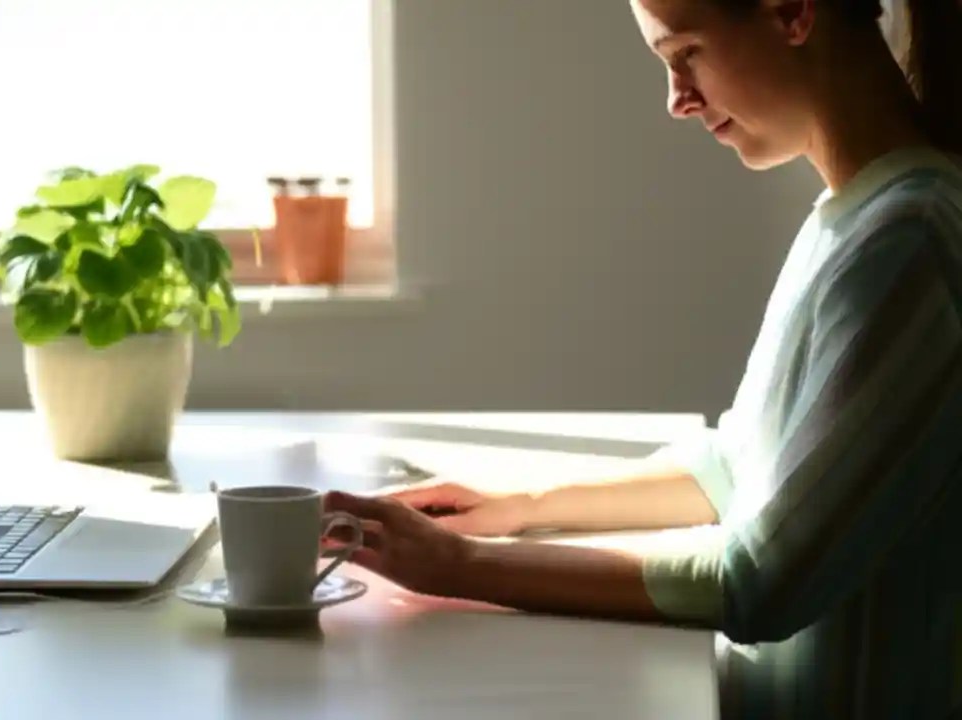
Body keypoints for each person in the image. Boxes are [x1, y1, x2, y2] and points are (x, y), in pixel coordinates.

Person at [324, 0, 962, 717]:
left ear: (792, 13)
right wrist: (518, 508)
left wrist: (462, 567)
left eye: (685, 53)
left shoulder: (908, 244)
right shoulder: (851, 219)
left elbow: (764, 582)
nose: (676, 100)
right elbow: (738, 464)